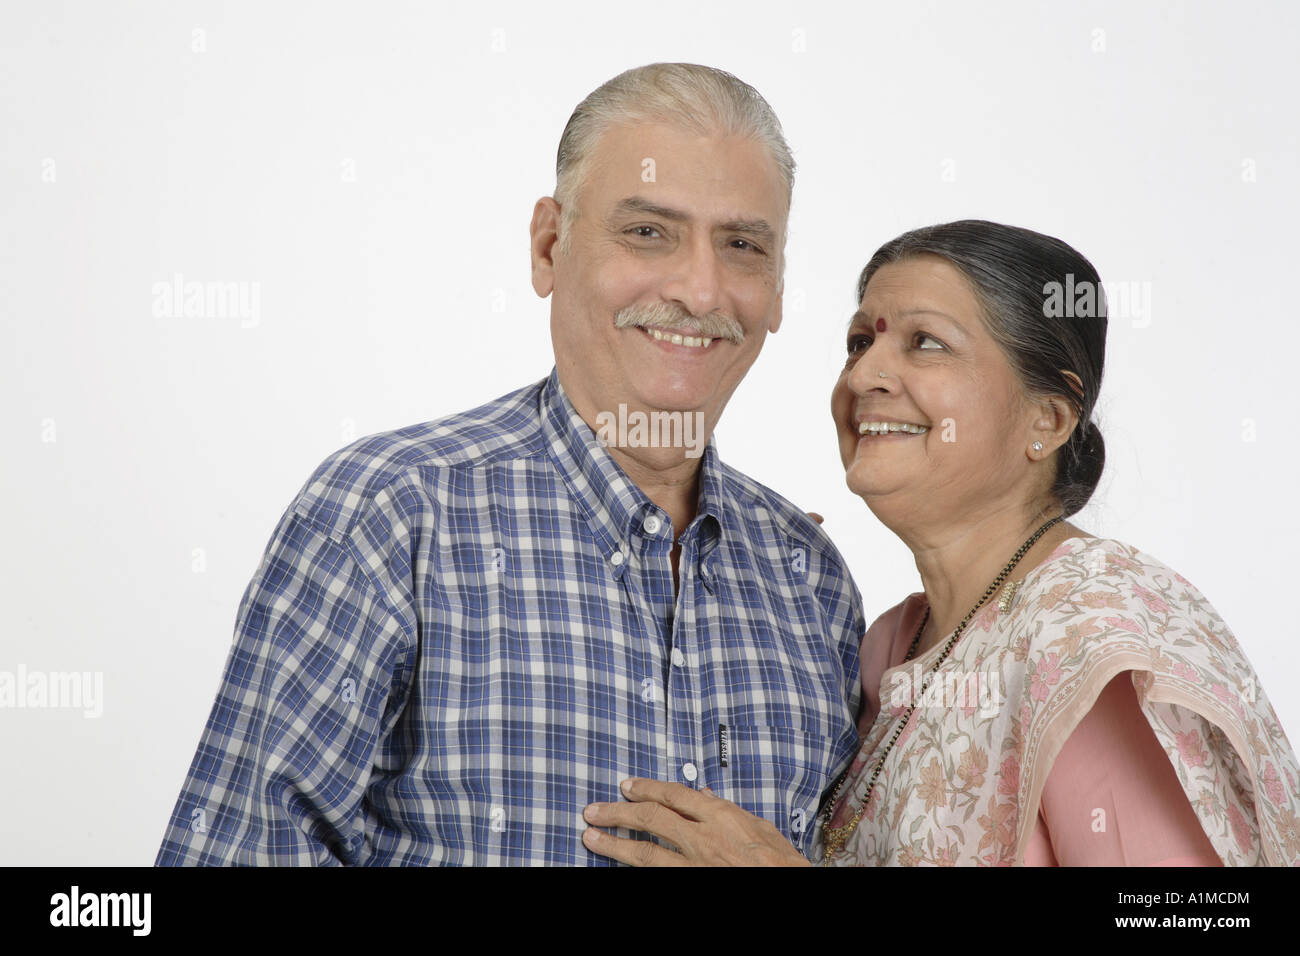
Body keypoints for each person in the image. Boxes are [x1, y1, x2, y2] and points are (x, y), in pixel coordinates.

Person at [154, 63, 866, 866]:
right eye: (647, 232)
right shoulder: (390, 514)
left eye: (741, 245)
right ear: (549, 246)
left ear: (776, 289)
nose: (700, 289)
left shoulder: (812, 583)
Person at [581, 220, 1300, 866]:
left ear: (1047, 419)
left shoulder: (1093, 632)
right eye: (861, 341)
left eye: (925, 342)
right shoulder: (892, 642)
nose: (863, 375)